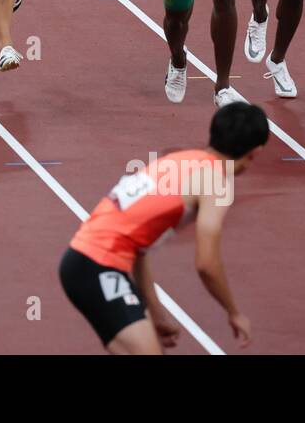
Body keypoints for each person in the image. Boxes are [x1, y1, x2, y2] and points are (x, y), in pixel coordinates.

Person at [61, 101, 268, 353]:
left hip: (83, 264)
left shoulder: (178, 161)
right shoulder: (215, 181)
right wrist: (234, 312)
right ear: (255, 152)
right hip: (99, 268)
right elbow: (207, 264)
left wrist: (155, 313)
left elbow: (138, 248)